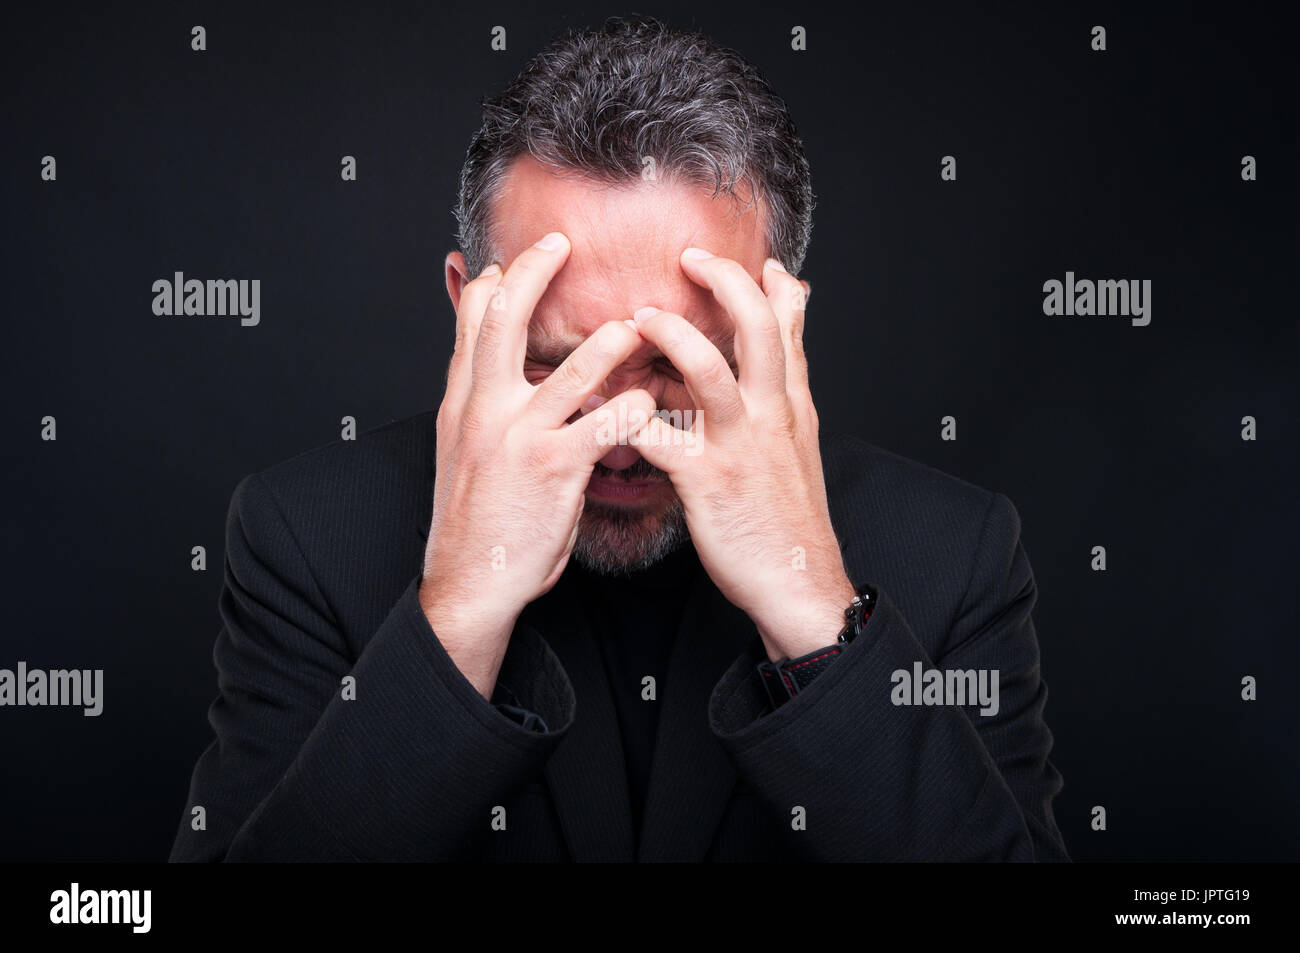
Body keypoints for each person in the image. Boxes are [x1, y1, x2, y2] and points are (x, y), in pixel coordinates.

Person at [170, 15, 1068, 862]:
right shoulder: (308, 536)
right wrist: (459, 613)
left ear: (777, 321)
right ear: (468, 307)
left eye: (682, 364)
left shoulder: (955, 554)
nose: (625, 436)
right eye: (559, 364)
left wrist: (814, 618)